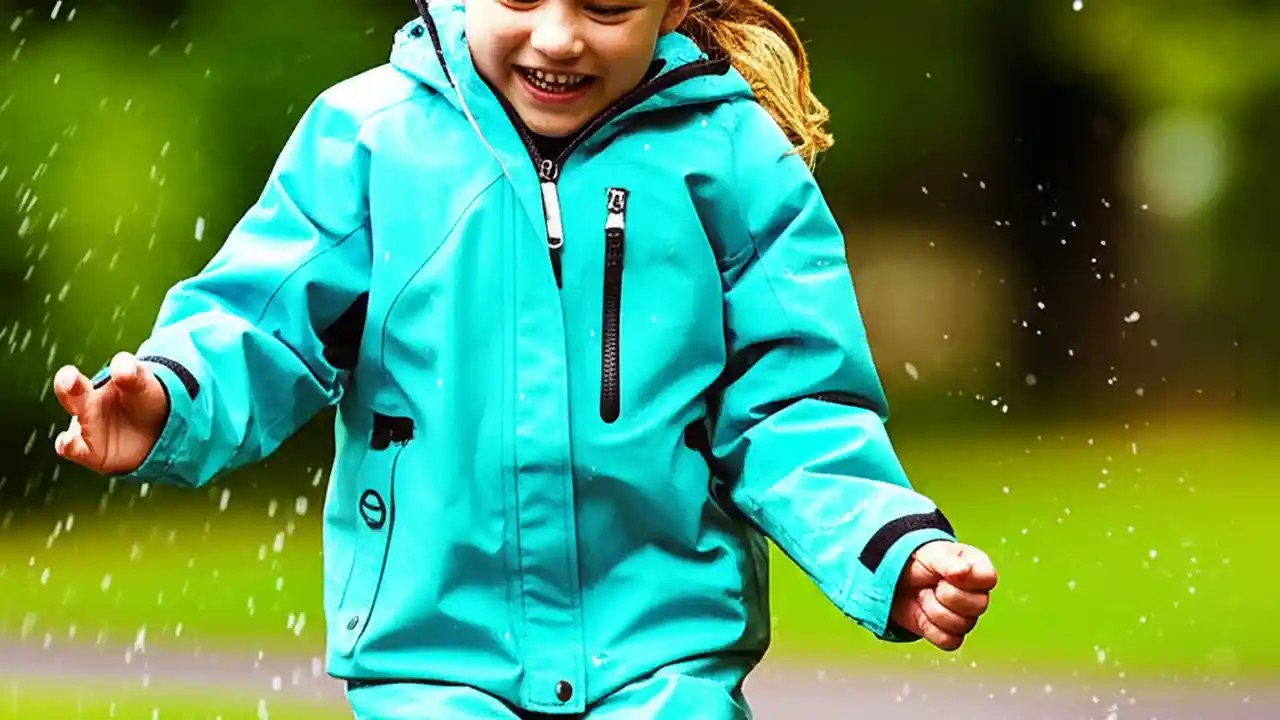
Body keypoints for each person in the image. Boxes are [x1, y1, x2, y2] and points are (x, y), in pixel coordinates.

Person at [51, 0, 998, 717]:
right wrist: (172, 398)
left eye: (607, 7)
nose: (558, 38)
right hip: (433, 654)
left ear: (674, 6)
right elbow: (262, 323)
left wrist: (888, 546)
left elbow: (794, 401)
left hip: (662, 656)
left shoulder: (735, 160)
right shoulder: (370, 139)